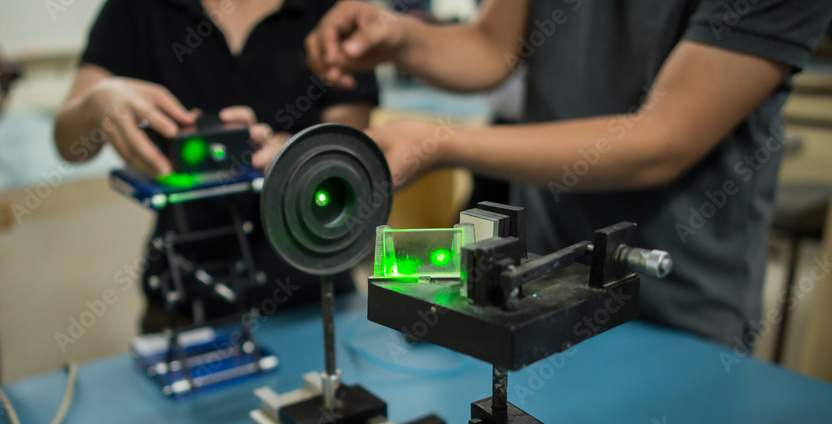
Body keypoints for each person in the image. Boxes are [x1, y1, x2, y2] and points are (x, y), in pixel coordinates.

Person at [304, 0, 832, 348]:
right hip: (541, 274)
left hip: (678, 299)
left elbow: (662, 139)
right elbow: (492, 45)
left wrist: (444, 144)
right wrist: (401, 37)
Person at [54, 0, 379, 333]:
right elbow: (69, 145)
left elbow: (349, 163)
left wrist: (298, 156)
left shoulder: (332, 11)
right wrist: (99, 101)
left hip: (314, 299)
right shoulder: (139, 9)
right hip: (183, 303)